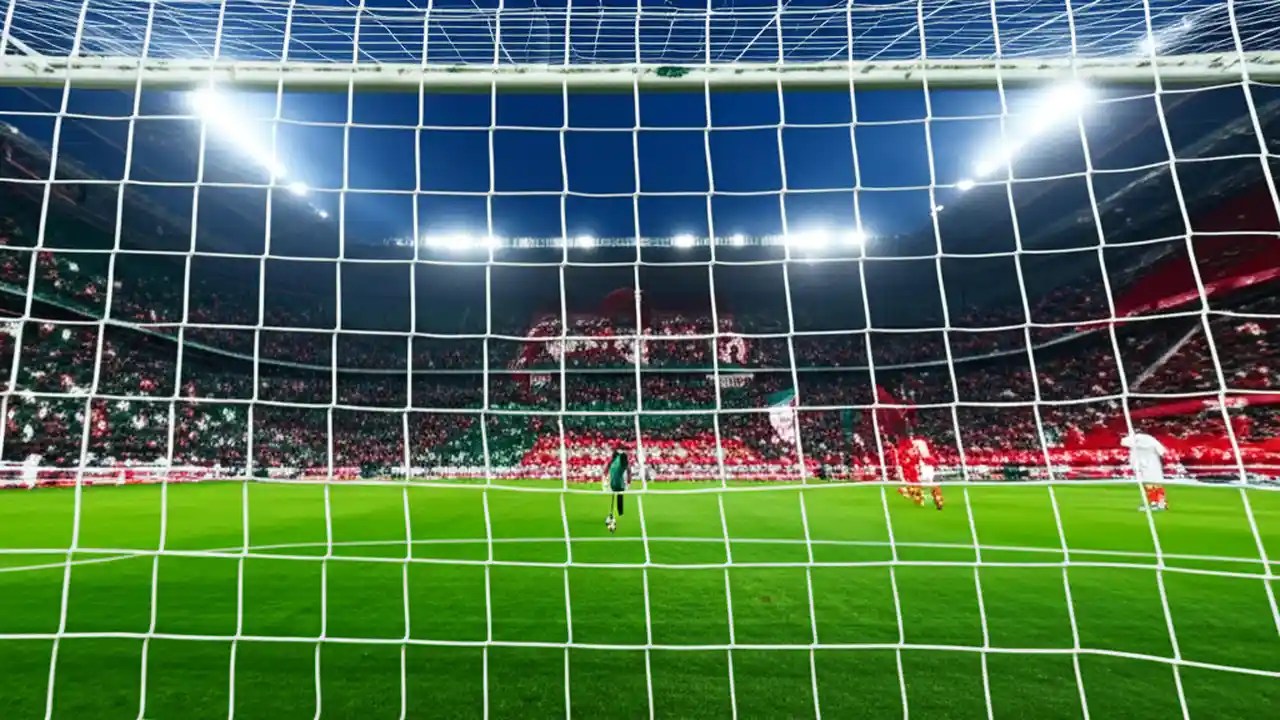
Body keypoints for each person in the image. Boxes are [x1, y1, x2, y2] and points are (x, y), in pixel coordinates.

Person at [1121, 431, 1168, 511]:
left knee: (1152, 485)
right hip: (1149, 465)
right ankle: (1157, 503)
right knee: (1152, 485)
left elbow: (1124, 442)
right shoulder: (1152, 440)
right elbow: (1162, 452)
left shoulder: (1141, 439)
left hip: (1148, 466)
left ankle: (1158, 503)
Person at [897, 436, 943, 510]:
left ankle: (921, 498)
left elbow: (922, 458)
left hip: (924, 470)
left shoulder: (917, 453)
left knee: (922, 487)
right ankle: (937, 501)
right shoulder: (921, 453)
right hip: (925, 470)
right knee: (932, 486)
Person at [603, 447, 631, 533]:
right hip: (617, 483)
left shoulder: (615, 460)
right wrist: (629, 482)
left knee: (616, 498)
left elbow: (607, 468)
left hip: (615, 483)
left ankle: (612, 516)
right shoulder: (620, 460)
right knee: (618, 499)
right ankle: (613, 517)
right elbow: (629, 471)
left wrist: (606, 476)